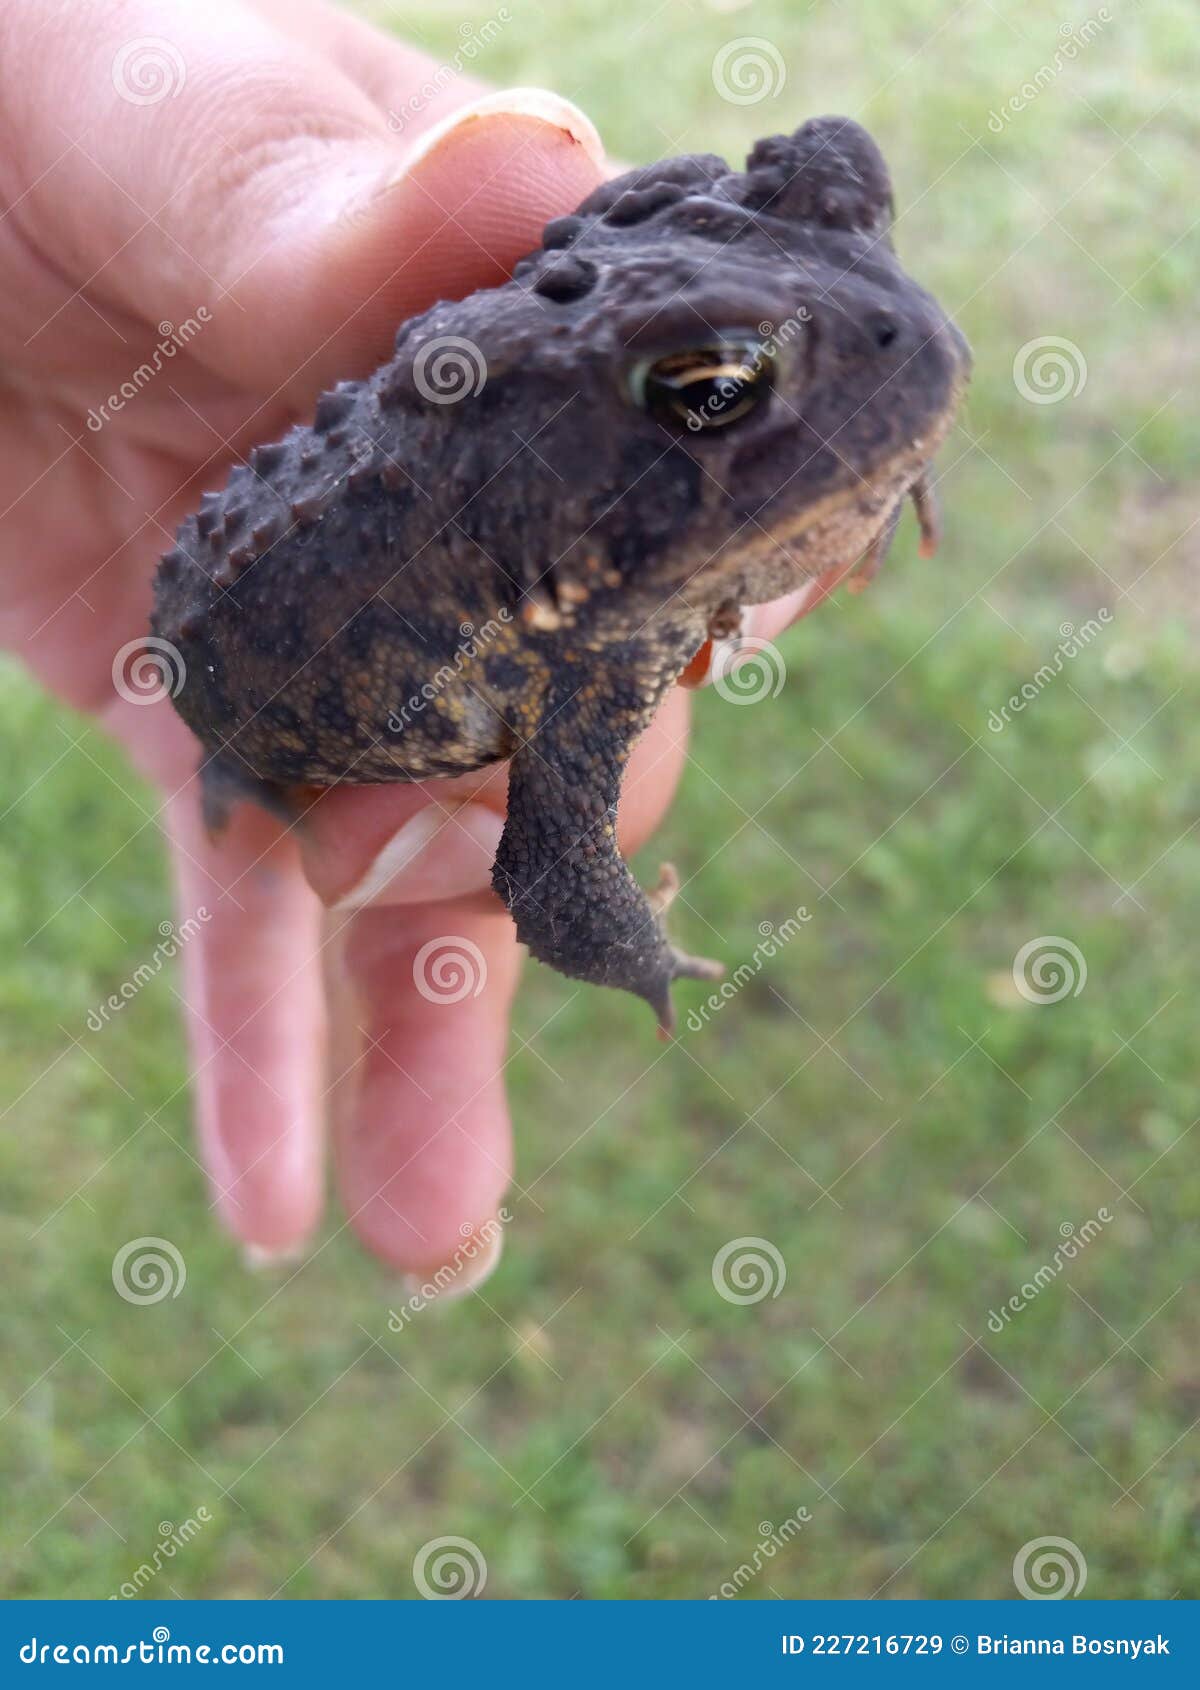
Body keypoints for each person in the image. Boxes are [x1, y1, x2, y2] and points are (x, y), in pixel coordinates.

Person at [0, 0, 817, 1287]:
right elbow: (555, 876)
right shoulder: (583, 635)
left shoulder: (596, 481)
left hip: (308, 514)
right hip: (245, 659)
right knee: (356, 802)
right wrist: (636, 948)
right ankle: (246, 776)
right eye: (719, 394)